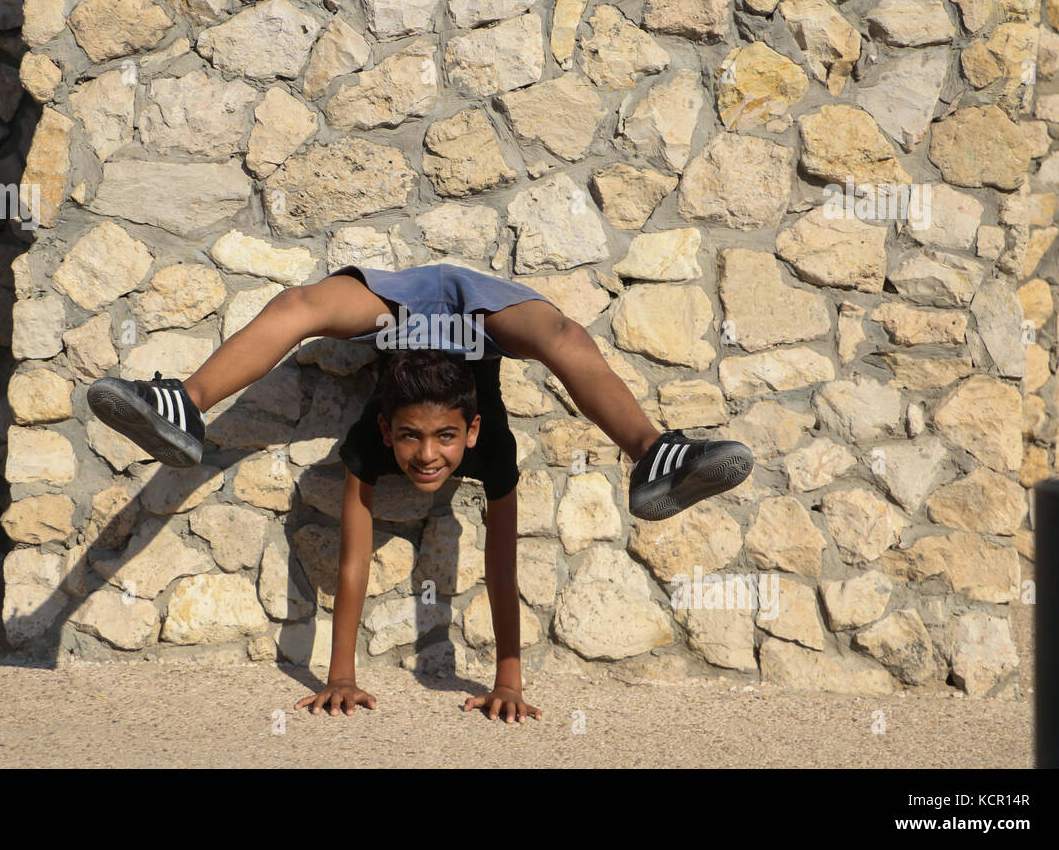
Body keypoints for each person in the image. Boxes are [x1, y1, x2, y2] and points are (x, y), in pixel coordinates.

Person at [87, 262, 754, 722]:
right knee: (298, 305)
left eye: (443, 441)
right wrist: (340, 677)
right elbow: (352, 562)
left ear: (471, 430)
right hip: (399, 301)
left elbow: (501, 567)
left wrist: (509, 683)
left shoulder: (489, 449)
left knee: (561, 335)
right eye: (410, 439)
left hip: (479, 306)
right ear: (387, 428)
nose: (426, 457)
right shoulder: (376, 441)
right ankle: (183, 404)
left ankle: (654, 452)